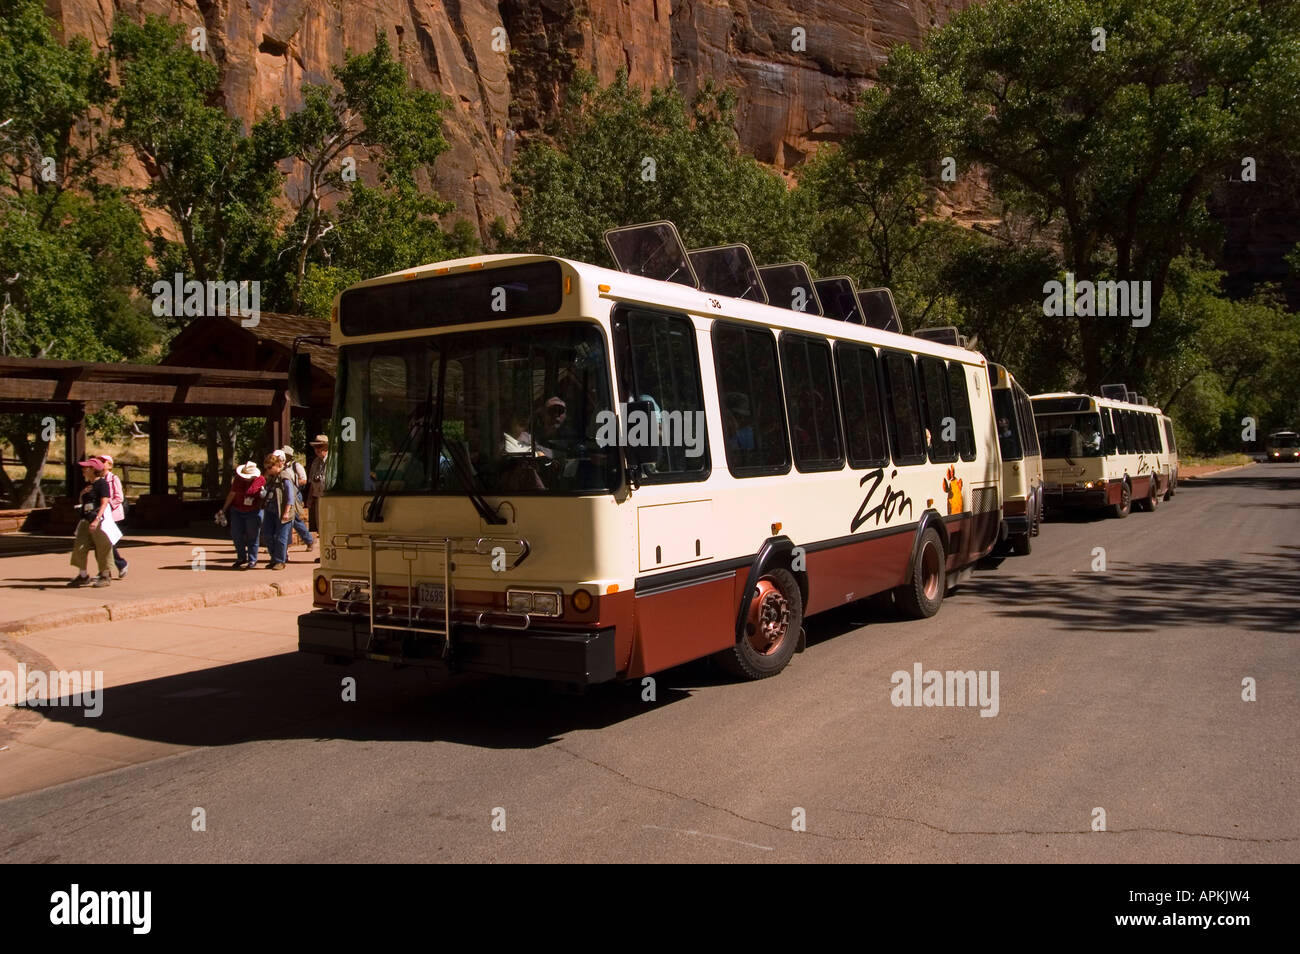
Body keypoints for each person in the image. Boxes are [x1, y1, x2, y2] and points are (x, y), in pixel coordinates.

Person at [67, 458, 114, 588]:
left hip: (98, 520)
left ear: (94, 470)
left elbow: (104, 503)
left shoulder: (102, 484)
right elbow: (83, 502)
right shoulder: (88, 485)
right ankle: (83, 576)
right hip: (85, 519)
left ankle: (105, 575)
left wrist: (97, 519)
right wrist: (82, 493)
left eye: (86, 468)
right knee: (79, 547)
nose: (83, 470)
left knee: (103, 548)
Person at [220, 461, 266, 569]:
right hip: (237, 509)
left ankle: (252, 559)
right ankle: (241, 557)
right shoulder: (237, 479)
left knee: (253, 535)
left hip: (254, 511)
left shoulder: (261, 480)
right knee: (236, 534)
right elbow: (232, 494)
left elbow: (263, 496)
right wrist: (224, 509)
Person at [259, 454, 296, 570]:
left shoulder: (285, 477)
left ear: (277, 465)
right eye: (267, 468)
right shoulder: (271, 478)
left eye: (270, 467)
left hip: (282, 511)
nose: (268, 470)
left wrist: (286, 512)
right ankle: (274, 558)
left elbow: (290, 496)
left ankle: (280, 561)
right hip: (270, 510)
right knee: (267, 534)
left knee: (281, 537)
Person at [96, 454, 129, 579]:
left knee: (108, 543)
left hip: (113, 516)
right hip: (101, 515)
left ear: (109, 465)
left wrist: (107, 506)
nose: (101, 463)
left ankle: (120, 564)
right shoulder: (97, 479)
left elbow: (119, 497)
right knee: (103, 544)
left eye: (103, 461)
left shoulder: (113, 478)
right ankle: (107, 569)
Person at [281, 445, 314, 552]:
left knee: (294, 518)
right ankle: (285, 544)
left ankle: (308, 540)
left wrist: (291, 484)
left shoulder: (295, 466)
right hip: (282, 494)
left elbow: (304, 480)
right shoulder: (280, 466)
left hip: (294, 494)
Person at [306, 435, 328, 534]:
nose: (317, 449)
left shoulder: (332, 461)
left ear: (326, 447)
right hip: (318, 499)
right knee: (321, 527)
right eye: (315, 447)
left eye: (319, 447)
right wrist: (310, 498)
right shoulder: (315, 462)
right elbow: (312, 482)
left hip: (330, 498)